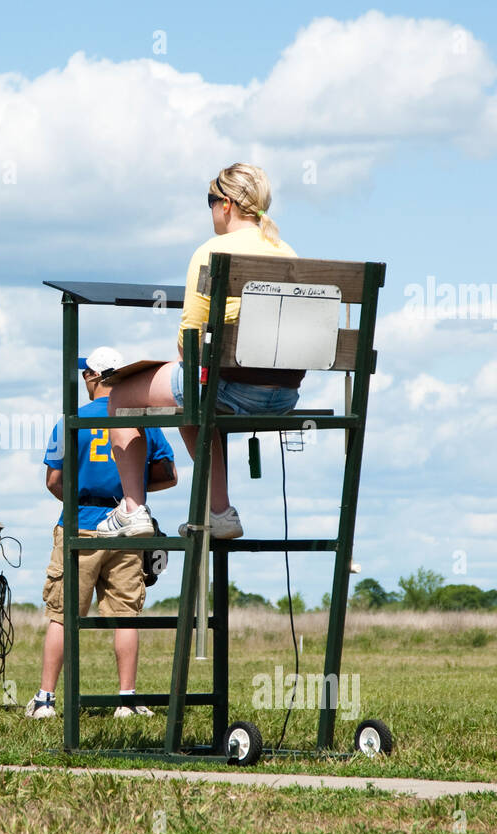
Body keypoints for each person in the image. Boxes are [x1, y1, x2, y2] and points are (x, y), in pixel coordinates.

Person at [98, 163, 301, 540]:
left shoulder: (212, 252)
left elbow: (187, 338)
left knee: (121, 395)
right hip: (284, 395)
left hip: (230, 387)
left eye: (210, 202)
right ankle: (219, 512)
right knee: (188, 401)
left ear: (226, 204)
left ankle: (132, 511)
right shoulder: (287, 252)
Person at [25, 346, 178, 720]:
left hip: (79, 525)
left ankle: (46, 699)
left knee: (63, 616)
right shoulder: (141, 419)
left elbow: (53, 480)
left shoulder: (70, 420)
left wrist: (79, 501)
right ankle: (127, 699)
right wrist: (131, 492)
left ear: (92, 377)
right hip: (126, 526)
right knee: (127, 615)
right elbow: (169, 475)